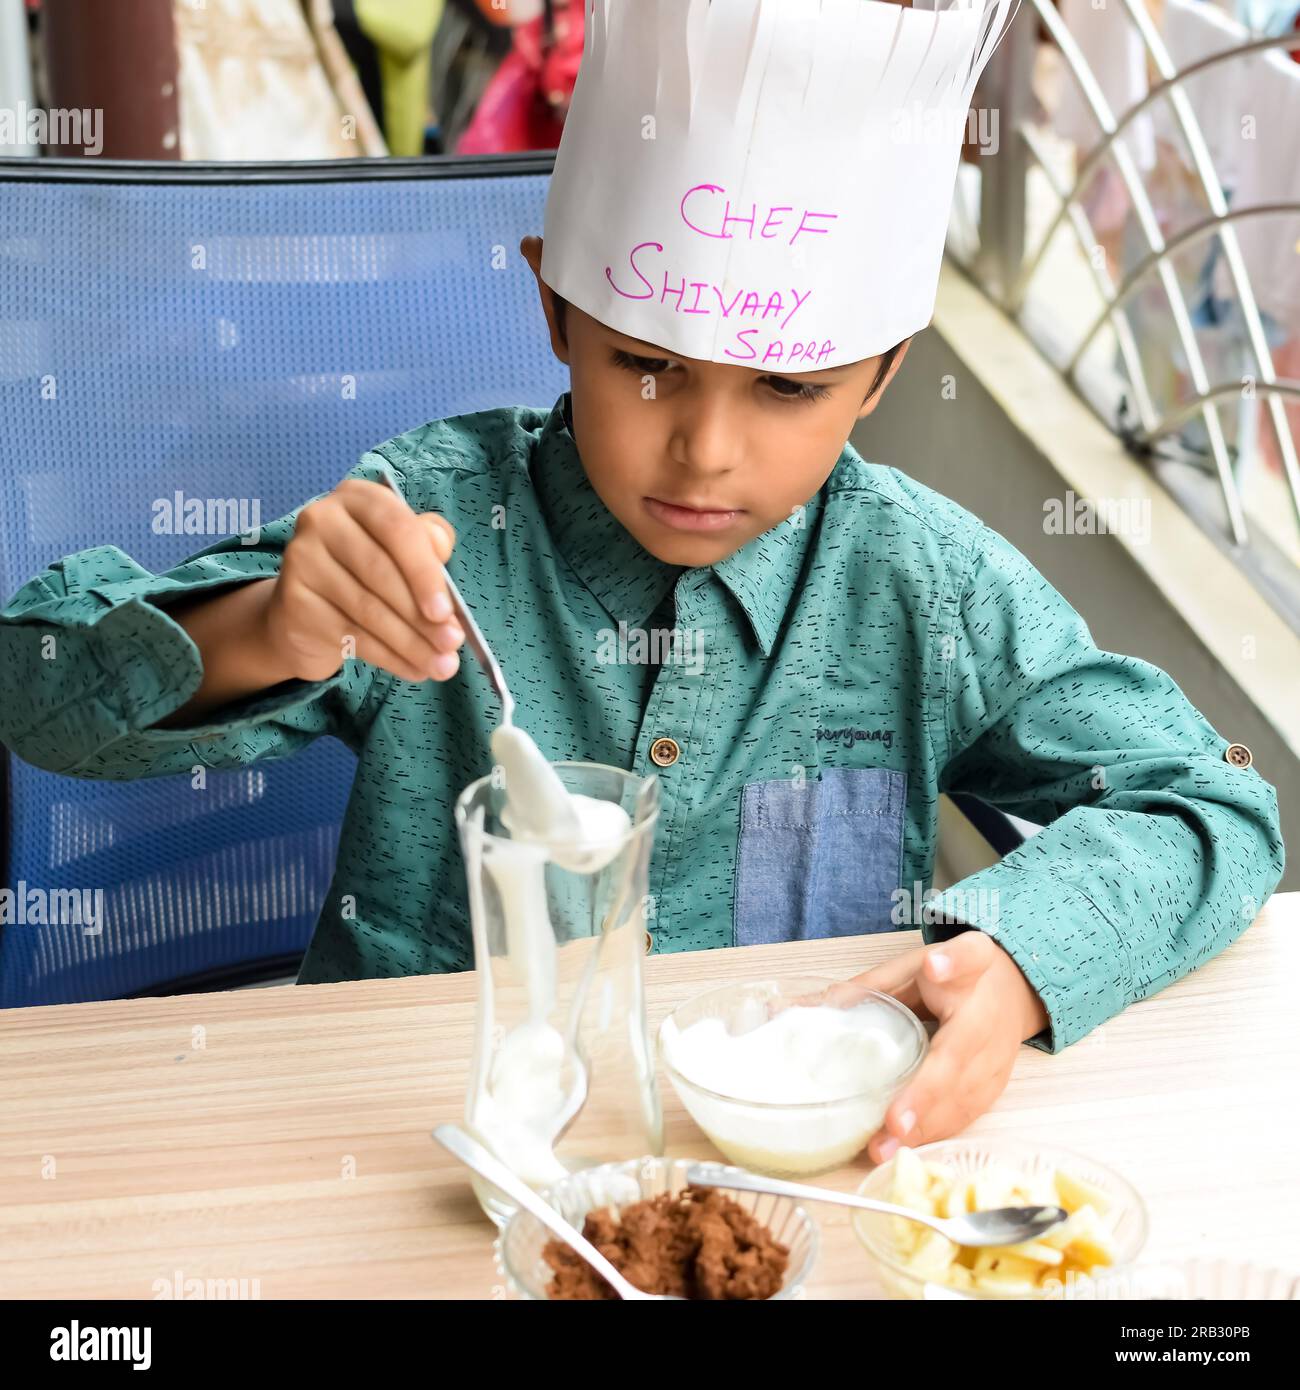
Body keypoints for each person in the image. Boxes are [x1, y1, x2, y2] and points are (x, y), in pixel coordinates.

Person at [0, 0, 1283, 1163]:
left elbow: (1212, 805)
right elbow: (34, 687)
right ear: (556, 311)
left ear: (884, 372)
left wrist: (1018, 961)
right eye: (645, 365)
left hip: (775, 1180)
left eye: (788, 387)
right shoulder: (434, 525)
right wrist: (265, 626)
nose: (707, 451)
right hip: (420, 1151)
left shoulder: (921, 587)